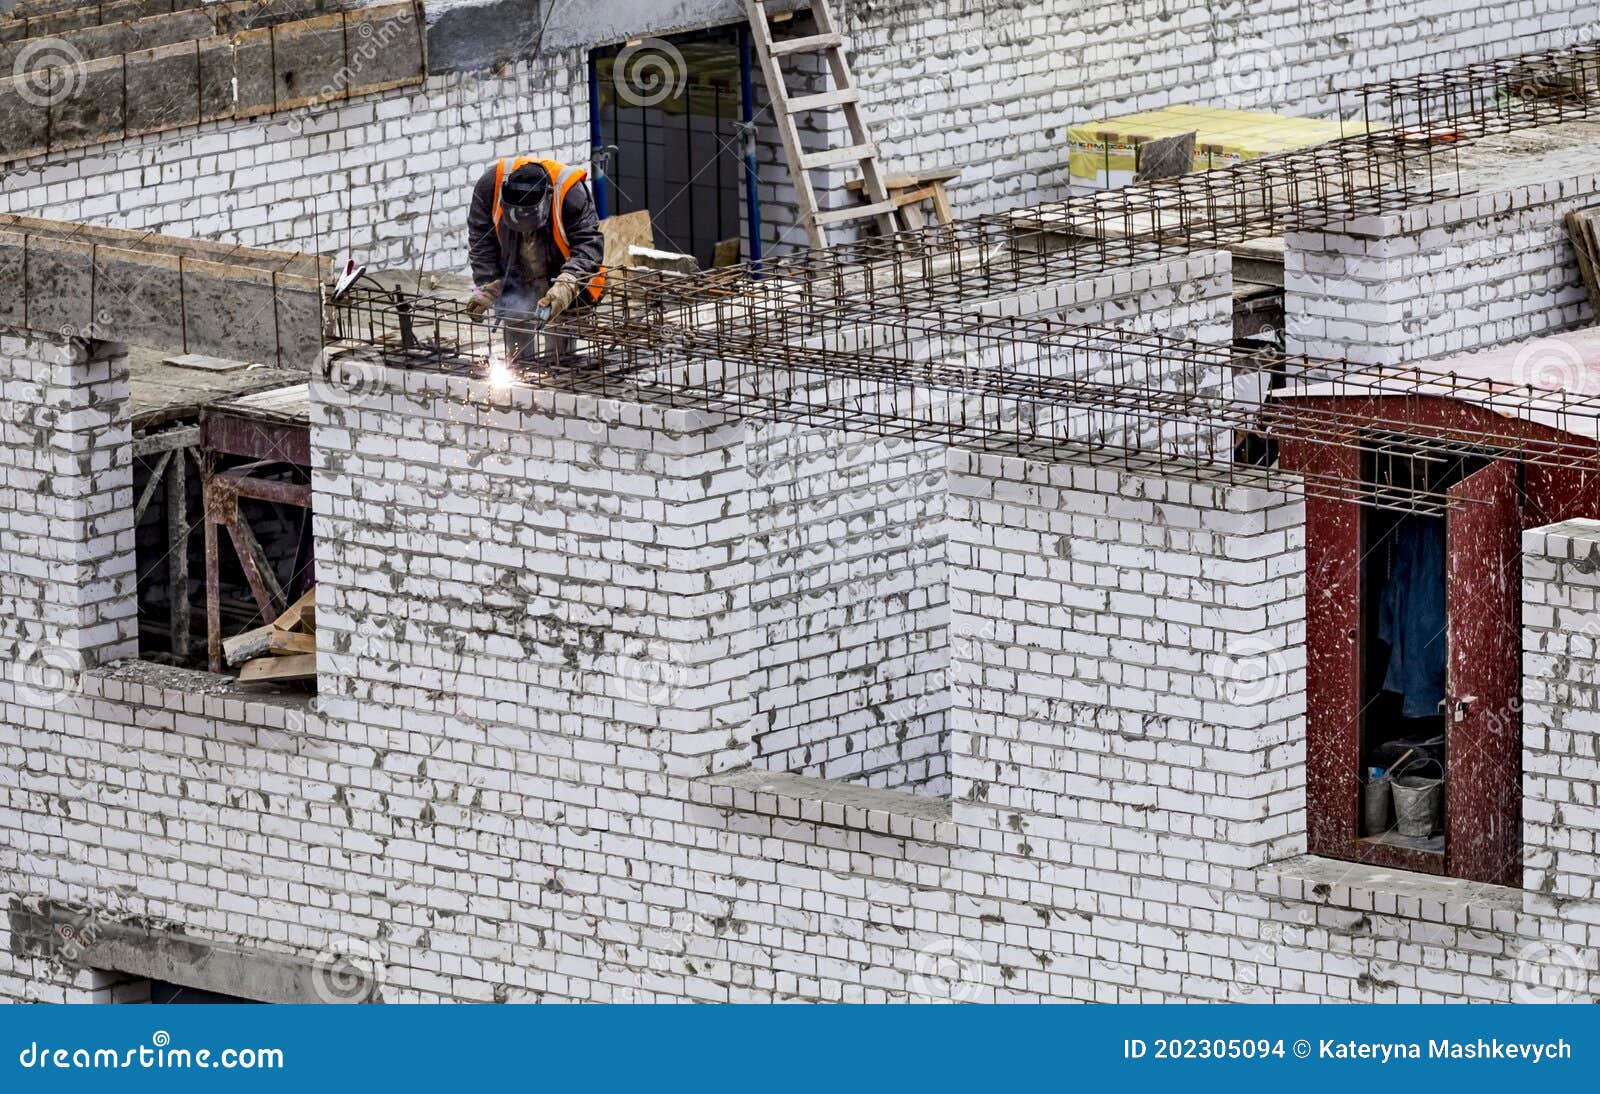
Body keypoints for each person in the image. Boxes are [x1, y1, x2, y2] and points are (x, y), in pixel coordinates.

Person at [465, 157, 606, 367]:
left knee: (560, 337)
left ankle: (560, 371)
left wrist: (567, 283)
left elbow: (589, 245)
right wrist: (488, 282)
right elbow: (480, 239)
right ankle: (521, 369)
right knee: (516, 319)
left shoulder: (570, 193)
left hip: (559, 272)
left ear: (547, 198)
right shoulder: (489, 186)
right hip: (516, 272)